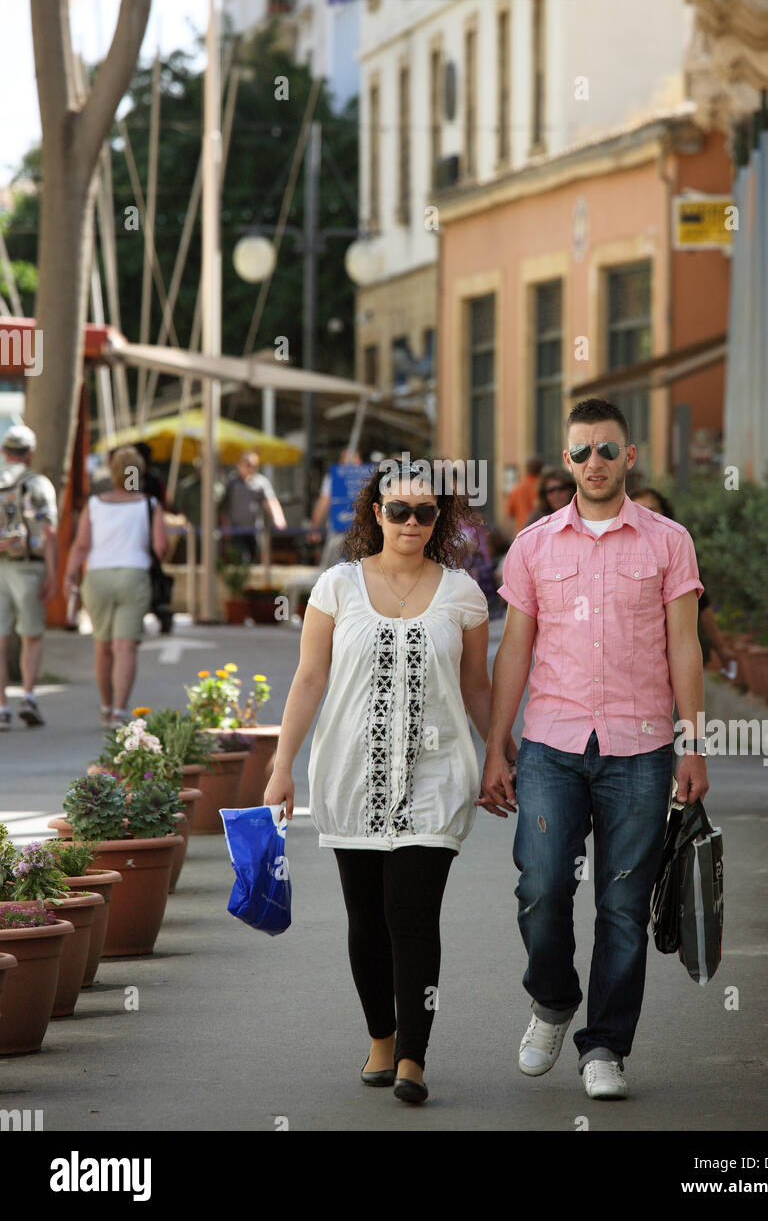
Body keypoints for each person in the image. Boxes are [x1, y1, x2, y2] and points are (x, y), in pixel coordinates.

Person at [264, 457, 513, 1105]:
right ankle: (381, 1036)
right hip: (350, 769)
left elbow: (477, 687)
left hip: (437, 773)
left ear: (440, 518)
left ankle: (413, 1057)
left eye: (424, 512)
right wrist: (280, 764)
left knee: (411, 912)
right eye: (397, 510)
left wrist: (499, 757)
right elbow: (310, 678)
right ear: (376, 513)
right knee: (366, 917)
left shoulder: (462, 593)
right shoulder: (337, 586)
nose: (410, 522)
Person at [479, 397, 708, 1101]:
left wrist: (693, 744)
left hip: (640, 750)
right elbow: (514, 647)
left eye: (607, 450)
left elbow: (683, 644)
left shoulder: (669, 541)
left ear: (630, 457)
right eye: (581, 453)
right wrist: (496, 745)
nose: (595, 463)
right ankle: (552, 1000)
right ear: (567, 461)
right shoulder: (535, 545)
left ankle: (605, 1044)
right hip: (551, 744)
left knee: (621, 906)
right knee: (541, 886)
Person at [63, 445, 168, 726]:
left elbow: (81, 545)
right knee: (125, 648)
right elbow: (161, 548)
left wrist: (69, 575)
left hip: (98, 579)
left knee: (103, 646)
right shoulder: (149, 505)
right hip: (133, 577)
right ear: (140, 471)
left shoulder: (95, 505)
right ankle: (120, 711)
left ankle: (106, 705)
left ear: (112, 472)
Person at [631, 487, 736, 673]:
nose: (645, 516)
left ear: (664, 514)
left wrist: (720, 648)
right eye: (638, 510)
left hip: (671, 662)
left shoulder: (675, 550)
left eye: (652, 509)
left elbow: (702, 605)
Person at [0, 424, 58, 730]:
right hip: (28, 567)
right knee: (31, 636)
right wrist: (53, 572)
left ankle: (1, 706)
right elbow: (49, 532)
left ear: (4, 451)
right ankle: (28, 696)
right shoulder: (38, 484)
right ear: (30, 453)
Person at [220, 451, 287, 563]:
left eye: (254, 465)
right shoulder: (231, 482)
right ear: (239, 464)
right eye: (247, 464)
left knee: (254, 561)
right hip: (235, 531)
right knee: (240, 560)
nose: (250, 468)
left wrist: (279, 518)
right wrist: (225, 525)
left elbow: (271, 501)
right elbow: (223, 506)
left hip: (254, 530)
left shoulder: (261, 482)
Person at [505, 456, 544, 536]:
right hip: (541, 532)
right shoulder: (544, 487)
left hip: (522, 533)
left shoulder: (517, 488)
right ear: (541, 469)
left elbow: (509, 512)